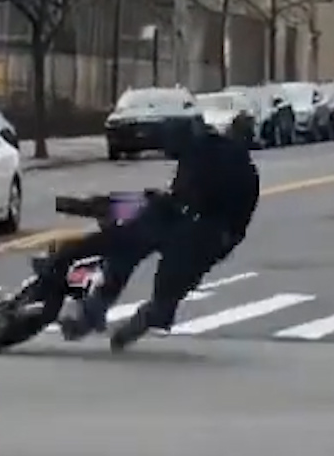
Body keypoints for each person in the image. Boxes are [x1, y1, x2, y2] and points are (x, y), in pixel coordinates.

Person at [70, 116, 260, 349]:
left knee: (126, 252)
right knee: (168, 288)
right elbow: (237, 229)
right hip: (203, 234)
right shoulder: (249, 176)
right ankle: (139, 321)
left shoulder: (208, 146)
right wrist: (217, 251)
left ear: (230, 131)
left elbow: (180, 165)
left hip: (178, 217)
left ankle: (93, 313)